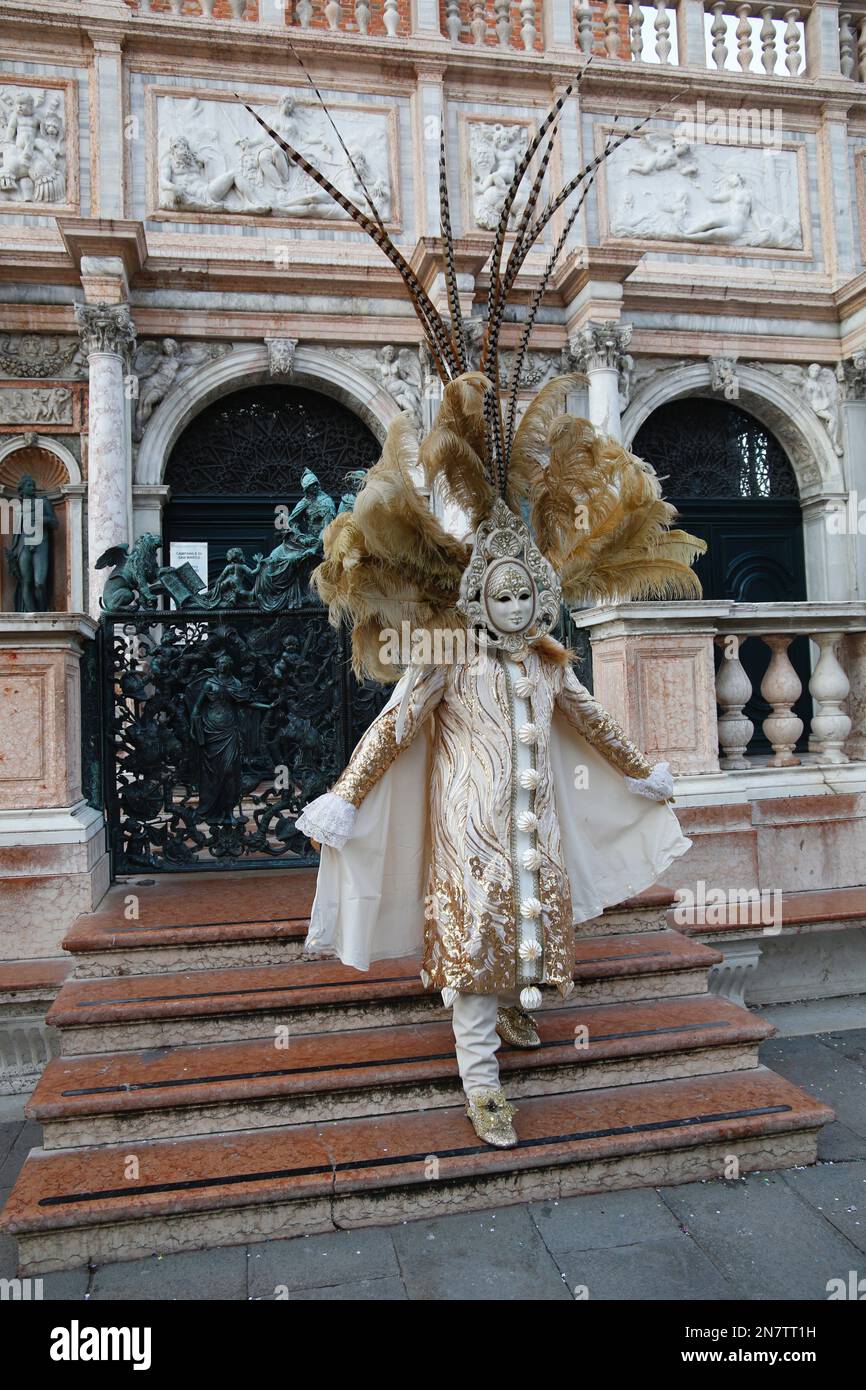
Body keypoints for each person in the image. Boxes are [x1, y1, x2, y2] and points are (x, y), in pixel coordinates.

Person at [251, 82, 706, 1149]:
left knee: (530, 921)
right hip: (464, 825)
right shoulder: (448, 655)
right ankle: (478, 1075)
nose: (509, 599)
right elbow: (396, 721)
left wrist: (642, 768)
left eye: (521, 589)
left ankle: (507, 1008)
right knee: (470, 926)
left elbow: (586, 720)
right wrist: (345, 796)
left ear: (535, 592)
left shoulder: (544, 655)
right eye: (496, 588)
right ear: (473, 591)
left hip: (531, 814)